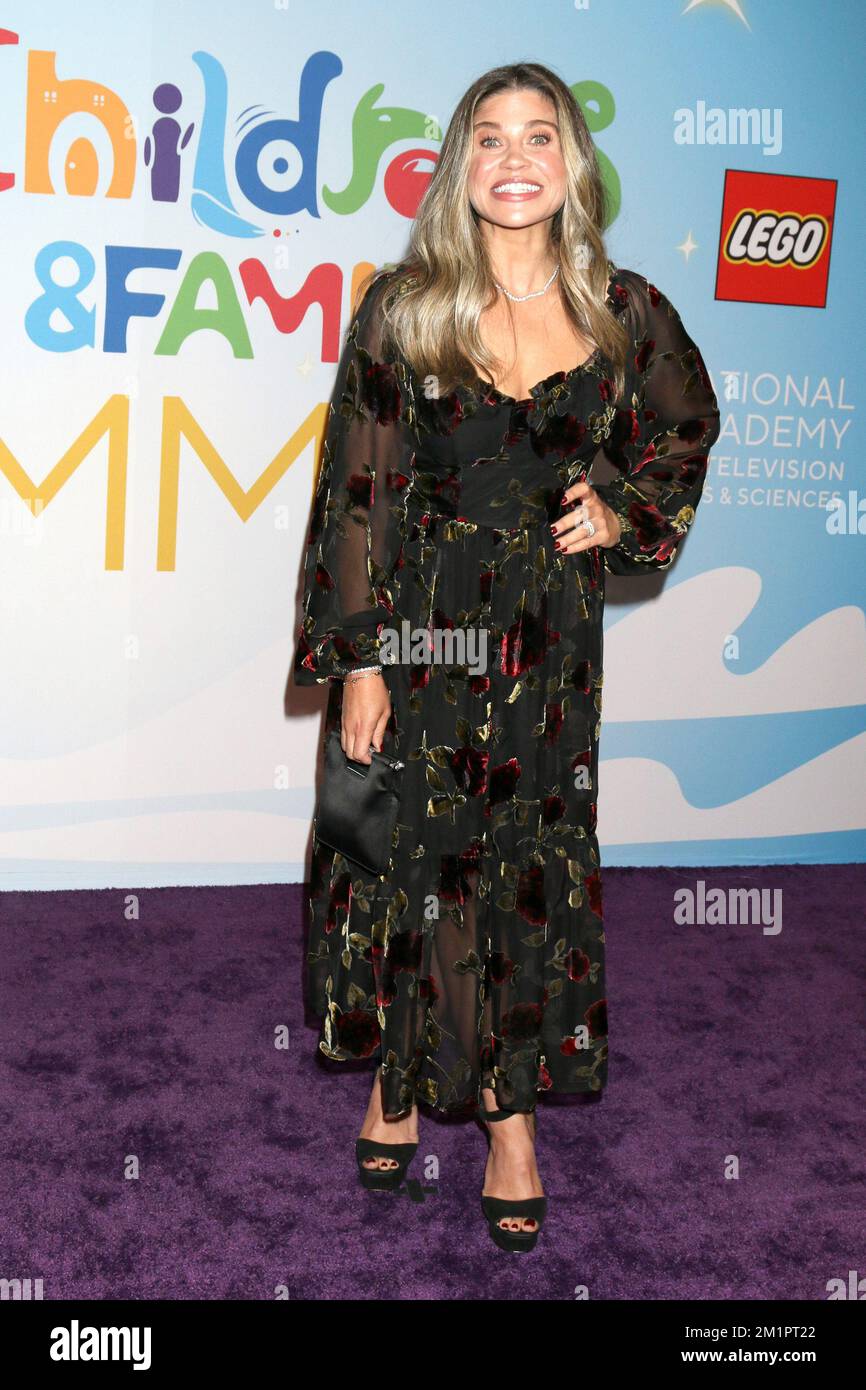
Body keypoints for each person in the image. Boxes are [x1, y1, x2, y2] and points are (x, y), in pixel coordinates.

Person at [293, 61, 721, 1253]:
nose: (515, 157)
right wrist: (361, 663)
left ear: (571, 164)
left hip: (547, 641)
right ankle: (400, 1076)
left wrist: (625, 510)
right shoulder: (404, 306)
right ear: (459, 164)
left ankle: (506, 1117)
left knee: (524, 862)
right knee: (413, 850)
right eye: (489, 137)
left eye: (540, 136)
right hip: (425, 626)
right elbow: (357, 494)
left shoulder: (621, 308)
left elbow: (686, 425)